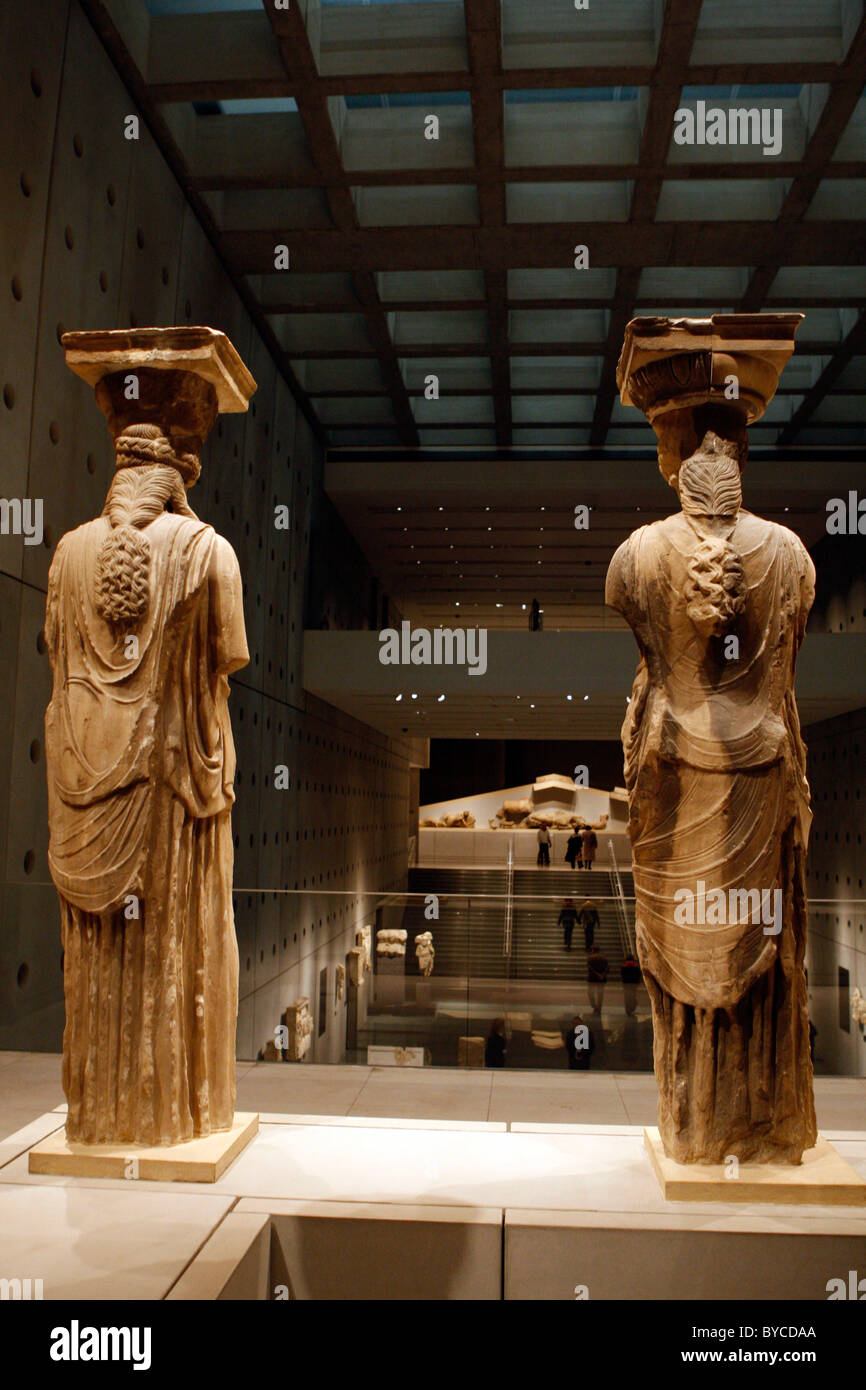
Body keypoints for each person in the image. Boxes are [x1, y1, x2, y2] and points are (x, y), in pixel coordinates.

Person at [587, 945, 609, 1014]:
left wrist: (597, 974)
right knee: (600, 994)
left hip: (592, 978)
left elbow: (590, 968)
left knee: (590, 993)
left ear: (593, 950)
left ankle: (594, 1005)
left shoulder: (590, 958)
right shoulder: (604, 958)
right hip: (601, 979)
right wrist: (602, 975)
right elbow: (607, 967)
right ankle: (599, 1007)